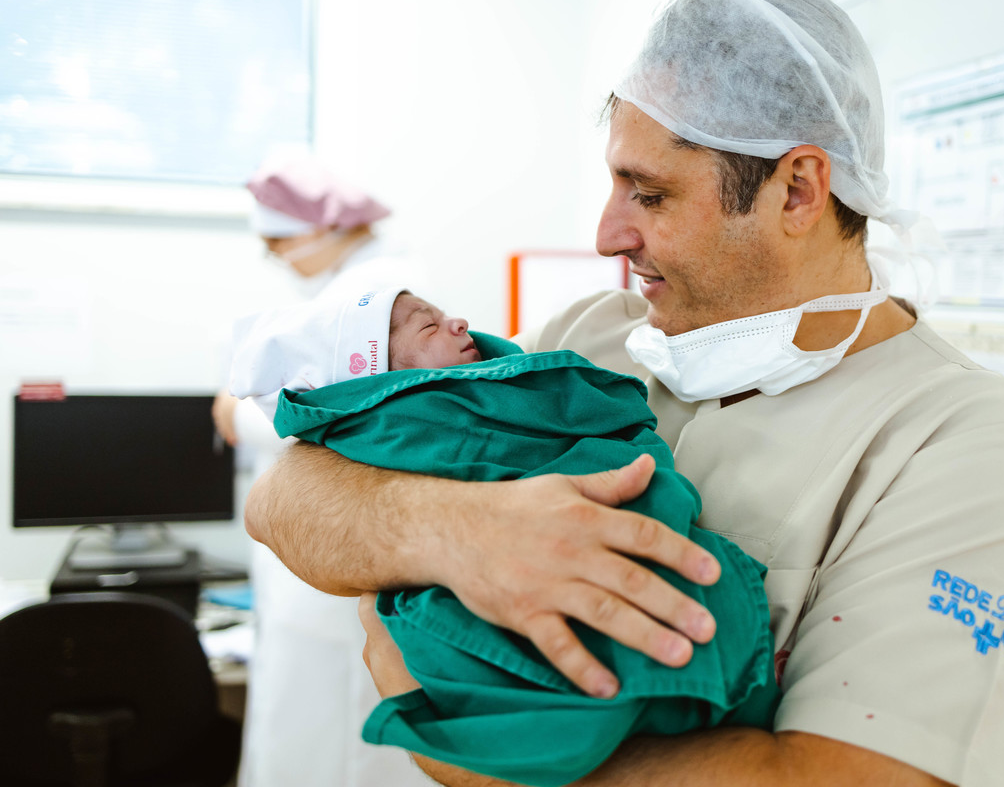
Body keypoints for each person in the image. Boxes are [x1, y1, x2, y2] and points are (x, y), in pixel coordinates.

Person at [244, 0, 1004, 785]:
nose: (607, 233)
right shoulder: (588, 337)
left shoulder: (954, 437)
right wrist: (454, 530)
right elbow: (285, 492)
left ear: (799, 189)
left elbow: (848, 774)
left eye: (651, 193)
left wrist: (492, 764)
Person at [227, 286, 780, 786]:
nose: (460, 324)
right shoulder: (418, 410)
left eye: (654, 196)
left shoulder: (502, 370)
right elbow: (273, 501)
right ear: (374, 377)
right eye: (429, 326)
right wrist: (457, 529)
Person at [210, 154, 426, 787]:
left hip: (337, 566)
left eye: (278, 241)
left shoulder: (379, 289)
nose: (275, 257)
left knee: (337, 743)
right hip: (311, 563)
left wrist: (235, 407)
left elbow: (327, 411)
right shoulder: (348, 288)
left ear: (324, 229)